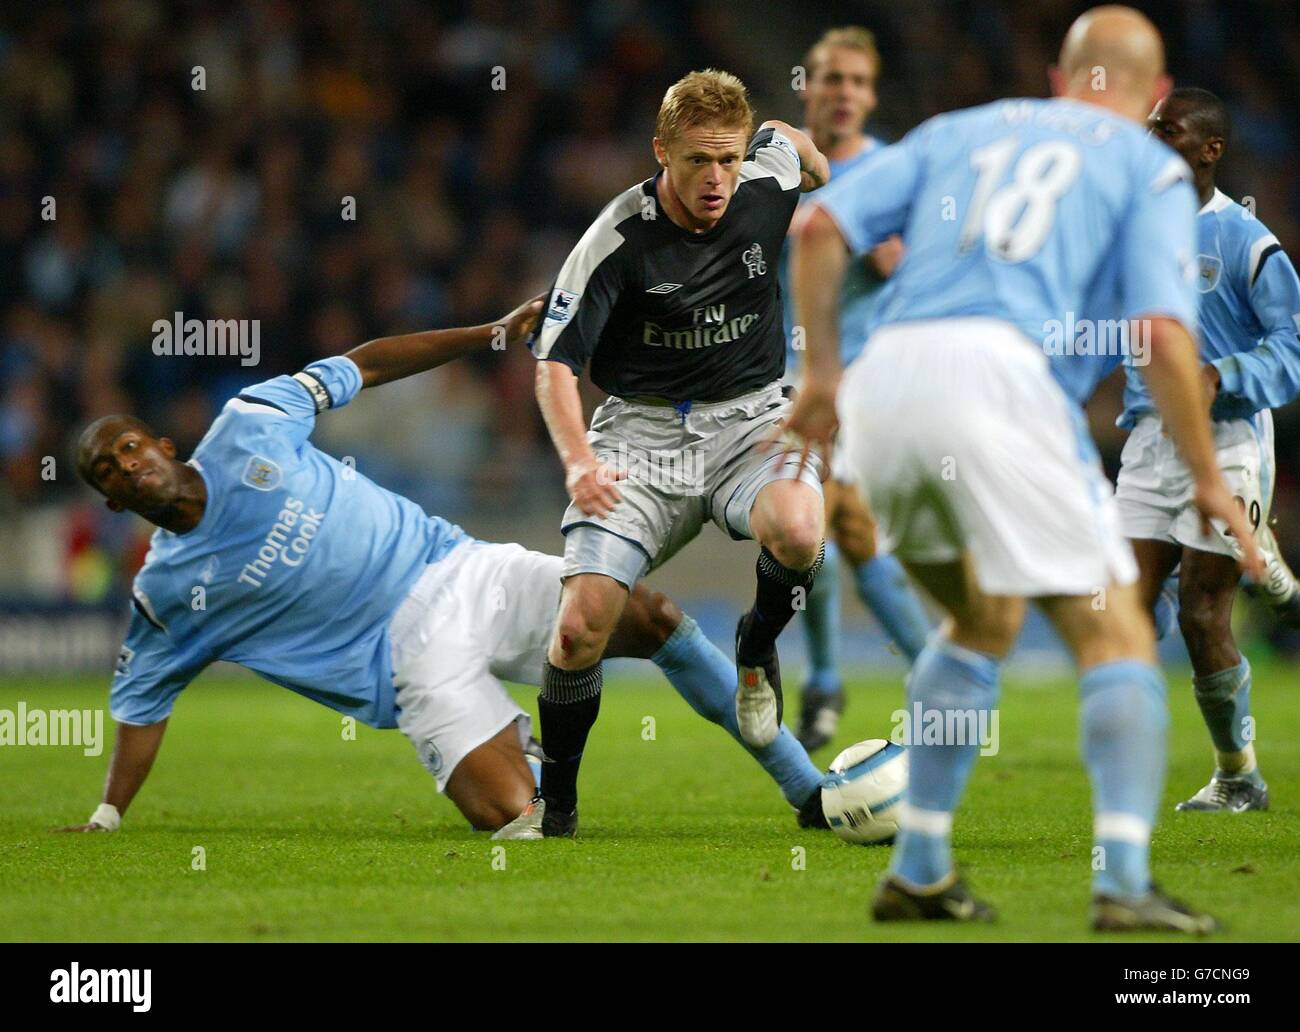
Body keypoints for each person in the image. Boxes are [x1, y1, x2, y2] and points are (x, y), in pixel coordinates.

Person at [786, 5, 1264, 932]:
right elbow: (1164, 334)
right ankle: (1123, 884)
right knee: (1117, 636)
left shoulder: (956, 129)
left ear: (1058, 78)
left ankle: (920, 868)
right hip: (998, 384)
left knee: (979, 617)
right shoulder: (1148, 166)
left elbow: (815, 230)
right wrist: (1209, 479)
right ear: (1156, 95)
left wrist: (820, 379)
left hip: (884, 386)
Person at [57, 297, 830, 836]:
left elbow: (366, 364)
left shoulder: (248, 425)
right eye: (105, 473)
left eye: (128, 448)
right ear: (111, 504)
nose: (124, 467)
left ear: (161, 444)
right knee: (512, 817)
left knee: (654, 617)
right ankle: (516, 749)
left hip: (461, 567)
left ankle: (809, 792)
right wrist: (107, 813)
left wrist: (491, 331)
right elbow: (141, 703)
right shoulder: (166, 590)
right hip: (406, 657)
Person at [499, 69, 831, 839]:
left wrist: (824, 174)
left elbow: (800, 151)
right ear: (660, 152)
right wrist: (580, 461)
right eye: (696, 162)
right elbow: (553, 362)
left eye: (727, 159)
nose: (716, 179)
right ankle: (559, 807)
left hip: (751, 424)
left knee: (800, 528)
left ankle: (756, 646)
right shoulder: (615, 238)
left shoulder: (766, 176)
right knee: (581, 626)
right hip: (641, 440)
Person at [1116, 86, 1300, 813]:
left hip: (1229, 438)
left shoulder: (1244, 241)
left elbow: (1292, 344)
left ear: (1210, 149)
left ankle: (1238, 775)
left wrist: (1225, 373)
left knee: (1201, 612)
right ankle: (1253, 551)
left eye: (1168, 129)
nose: (1152, 138)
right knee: (1126, 612)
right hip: (1148, 440)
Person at [780, 26, 932, 751]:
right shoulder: (769, 172)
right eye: (831, 78)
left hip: (861, 380)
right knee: (844, 535)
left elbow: (899, 260)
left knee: (827, 532)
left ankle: (829, 682)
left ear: (871, 96)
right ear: (806, 86)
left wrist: (835, 197)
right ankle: (936, 675)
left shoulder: (889, 168)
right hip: (782, 377)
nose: (844, 93)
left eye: (858, 82)